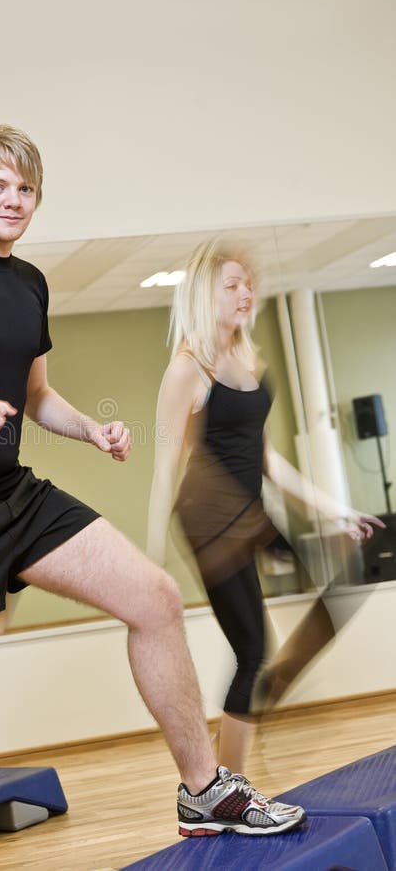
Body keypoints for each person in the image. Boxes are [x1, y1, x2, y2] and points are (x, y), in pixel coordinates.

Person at [0, 125, 306, 868]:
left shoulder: (29, 284)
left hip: (10, 495)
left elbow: (35, 396)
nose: (12, 200)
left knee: (152, 598)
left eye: (24, 188)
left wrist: (91, 430)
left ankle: (201, 790)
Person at [146, 238, 382, 773]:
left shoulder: (251, 358)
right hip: (210, 518)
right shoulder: (188, 367)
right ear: (207, 295)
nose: (245, 292)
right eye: (230, 285)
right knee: (252, 648)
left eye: (247, 283)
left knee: (341, 581)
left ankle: (266, 691)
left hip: (252, 514)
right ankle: (220, 787)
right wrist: (151, 563)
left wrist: (337, 511)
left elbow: (270, 459)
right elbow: (164, 470)